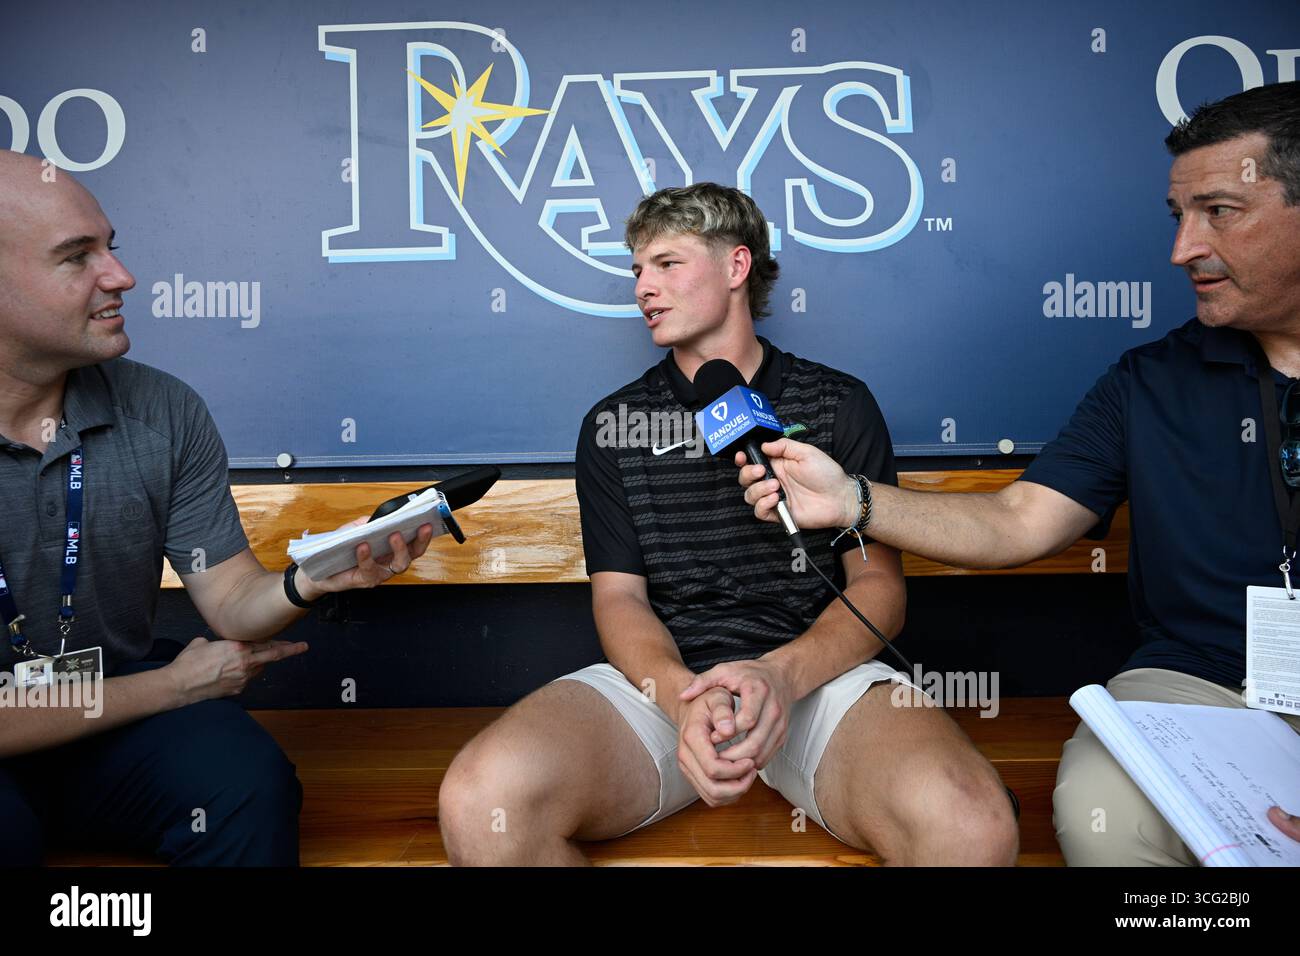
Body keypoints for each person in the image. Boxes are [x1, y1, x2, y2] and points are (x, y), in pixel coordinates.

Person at [733, 83, 1300, 865]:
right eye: (1179, 217)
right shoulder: (1151, 379)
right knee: (1104, 814)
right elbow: (1017, 520)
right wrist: (851, 499)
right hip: (1196, 690)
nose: (1183, 249)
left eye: (1220, 213)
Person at [438, 183, 1019, 865]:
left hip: (815, 682)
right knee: (481, 802)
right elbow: (619, 598)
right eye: (636, 271)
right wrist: (682, 701)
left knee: (970, 826)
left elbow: (879, 593)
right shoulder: (613, 425)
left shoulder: (838, 402)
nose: (643, 288)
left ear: (737, 267)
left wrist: (781, 677)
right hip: (667, 689)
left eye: (667, 264)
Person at [0, 150, 435, 865]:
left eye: (112, 247)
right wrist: (173, 686)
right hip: (79, 714)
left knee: (246, 787)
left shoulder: (160, 408)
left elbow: (231, 602)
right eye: (77, 257)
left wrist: (311, 577)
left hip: (114, 711)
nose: (121, 276)